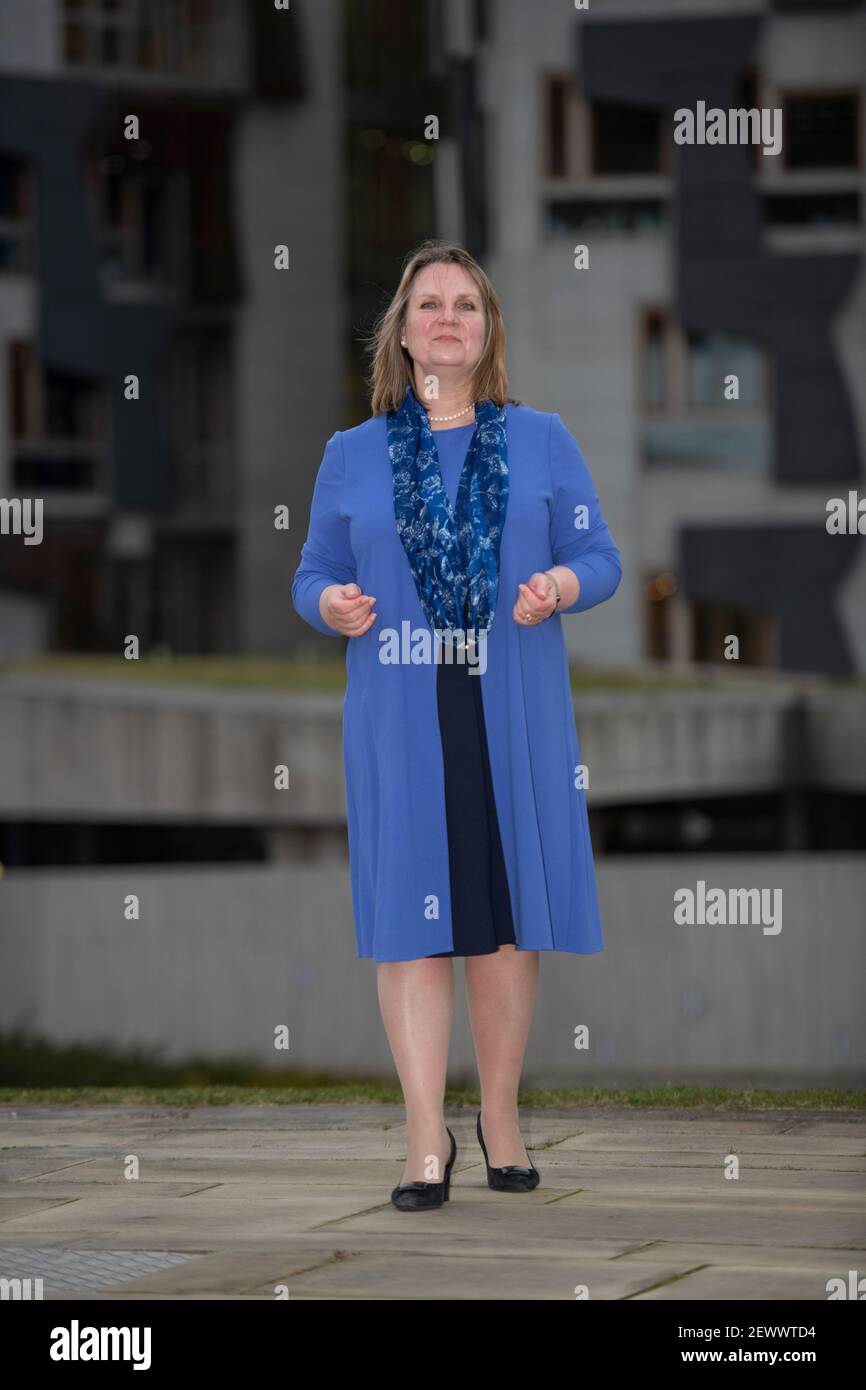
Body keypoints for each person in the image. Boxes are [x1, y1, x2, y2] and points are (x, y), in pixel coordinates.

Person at [291, 239, 622, 1210]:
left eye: (465, 305)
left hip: (507, 710)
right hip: (400, 713)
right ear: (400, 329)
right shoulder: (349, 454)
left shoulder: (541, 440)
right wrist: (332, 608)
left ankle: (503, 1119)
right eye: (427, 303)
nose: (446, 318)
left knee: (504, 927)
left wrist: (560, 582)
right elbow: (310, 571)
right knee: (411, 932)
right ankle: (420, 1136)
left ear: (488, 332)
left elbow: (597, 556)